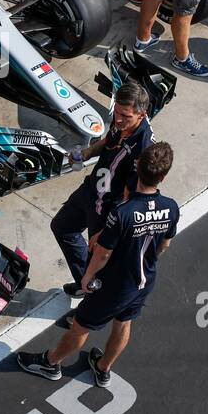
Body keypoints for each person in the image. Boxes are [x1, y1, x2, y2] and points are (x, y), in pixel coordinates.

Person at [19, 142, 179, 386]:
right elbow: (163, 246)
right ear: (163, 177)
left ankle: (50, 363)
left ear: (138, 166)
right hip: (144, 280)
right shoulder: (171, 207)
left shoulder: (124, 212)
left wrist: (87, 277)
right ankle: (103, 368)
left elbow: (103, 253)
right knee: (123, 323)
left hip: (113, 286)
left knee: (80, 327)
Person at [49, 82, 153, 297]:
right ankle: (84, 282)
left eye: (125, 116)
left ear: (142, 115)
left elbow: (132, 197)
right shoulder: (121, 122)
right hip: (91, 190)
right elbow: (108, 140)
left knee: (99, 261)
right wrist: (88, 152)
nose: (118, 120)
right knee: (62, 227)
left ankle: (92, 302)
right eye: (116, 113)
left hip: (107, 209)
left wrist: (107, 230)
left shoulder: (143, 149)